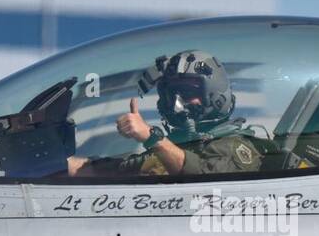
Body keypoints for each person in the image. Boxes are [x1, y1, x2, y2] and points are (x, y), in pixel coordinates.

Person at [66, 49, 264, 177]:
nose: (178, 104)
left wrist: (152, 138)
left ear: (214, 95)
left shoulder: (237, 147)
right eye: (172, 95)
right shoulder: (169, 150)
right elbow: (105, 170)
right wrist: (57, 163)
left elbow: (202, 179)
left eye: (187, 93)